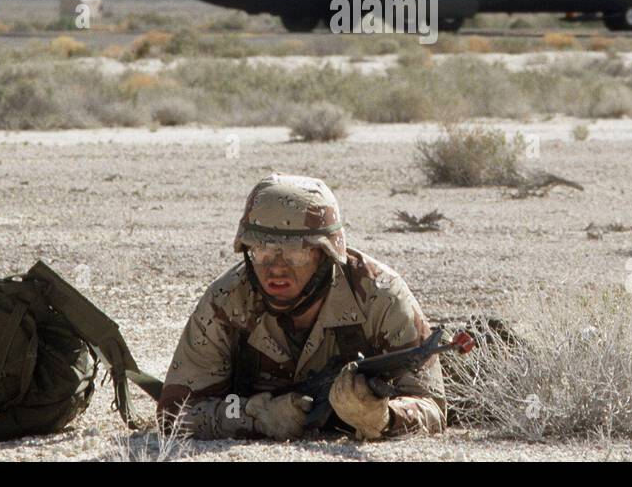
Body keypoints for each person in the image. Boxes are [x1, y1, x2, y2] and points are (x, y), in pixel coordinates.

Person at [158, 173, 445, 440]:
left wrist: (382, 417)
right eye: (263, 251)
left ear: (326, 255)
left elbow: (431, 406)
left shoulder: (380, 296)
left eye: (296, 254)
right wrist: (251, 415)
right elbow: (176, 413)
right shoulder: (226, 302)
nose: (276, 269)